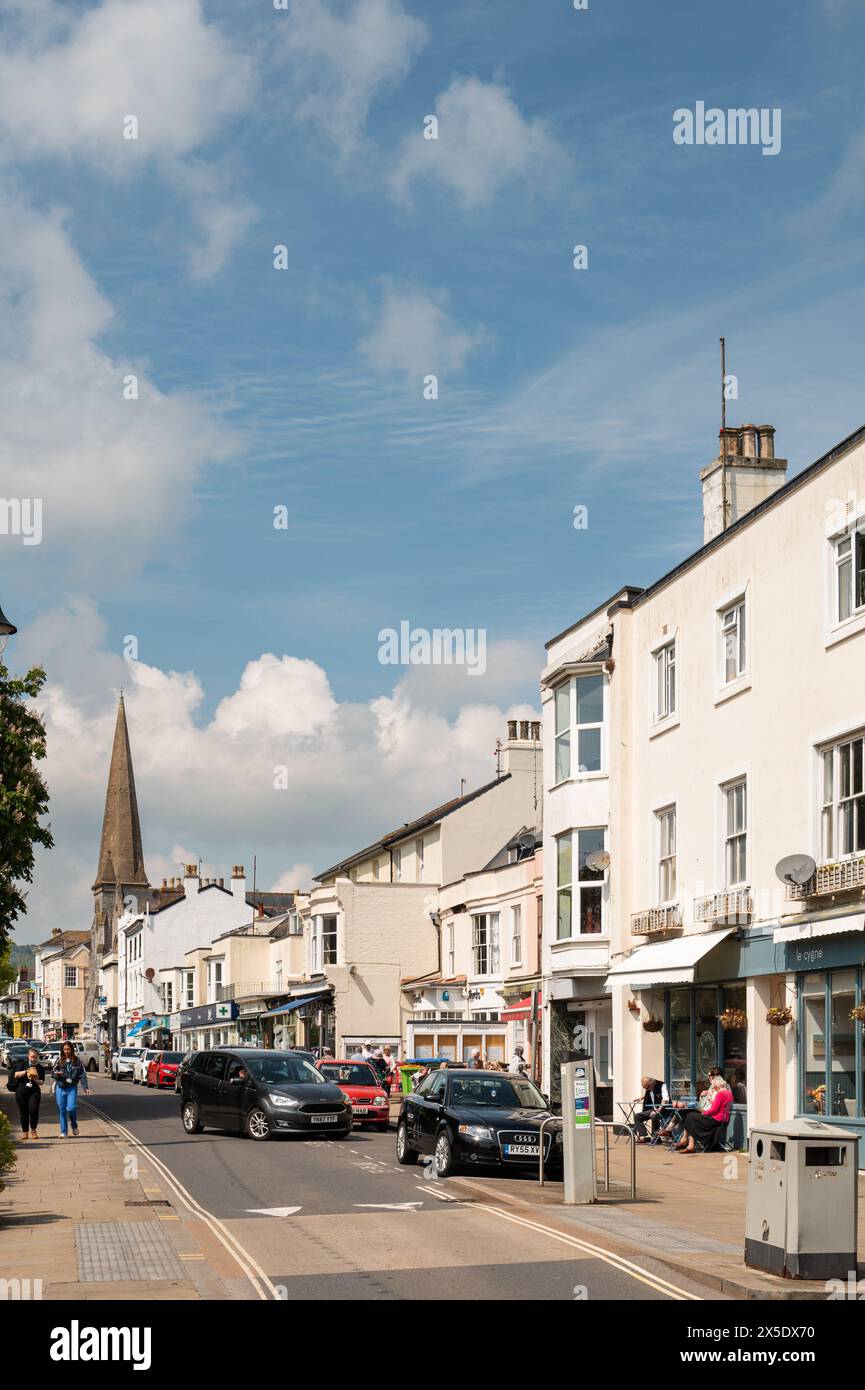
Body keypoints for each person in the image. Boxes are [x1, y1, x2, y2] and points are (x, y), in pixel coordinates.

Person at [677, 1075, 733, 1154]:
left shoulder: (720, 1094)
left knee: (690, 1116)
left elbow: (713, 1110)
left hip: (716, 1120)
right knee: (691, 1116)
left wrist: (704, 1113)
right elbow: (721, 1107)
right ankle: (690, 1144)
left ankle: (689, 1143)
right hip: (722, 1120)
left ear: (717, 1086)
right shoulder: (728, 1093)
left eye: (714, 1087)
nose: (714, 1089)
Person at [53, 1041, 91, 1138]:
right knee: (62, 1110)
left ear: (72, 1049)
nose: (66, 1051)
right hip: (60, 1087)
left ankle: (74, 1124)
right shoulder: (59, 1060)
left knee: (71, 1107)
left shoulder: (77, 1061)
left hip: (71, 1088)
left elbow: (82, 1075)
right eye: (65, 1049)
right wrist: (57, 1075)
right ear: (62, 1050)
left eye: (68, 1049)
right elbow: (53, 1073)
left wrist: (85, 1087)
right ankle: (64, 1132)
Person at [7, 1046, 45, 1140]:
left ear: (37, 1057)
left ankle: (33, 1130)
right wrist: (26, 1071)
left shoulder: (40, 1067)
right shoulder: (21, 1064)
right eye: (32, 1057)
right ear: (28, 1056)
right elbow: (15, 1075)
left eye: (35, 1057)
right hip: (21, 1092)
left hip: (34, 1092)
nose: (33, 1059)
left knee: (33, 1110)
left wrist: (35, 1078)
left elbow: (42, 1082)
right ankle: (25, 1132)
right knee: (23, 1112)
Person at [633, 1075, 669, 1142]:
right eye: (645, 1088)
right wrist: (643, 1097)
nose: (647, 1090)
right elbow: (652, 1094)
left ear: (652, 1083)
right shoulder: (650, 1088)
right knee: (637, 1116)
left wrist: (658, 1111)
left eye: (647, 1087)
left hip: (663, 1110)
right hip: (653, 1109)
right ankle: (643, 1136)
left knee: (654, 1115)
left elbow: (665, 1100)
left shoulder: (662, 1085)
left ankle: (656, 1137)